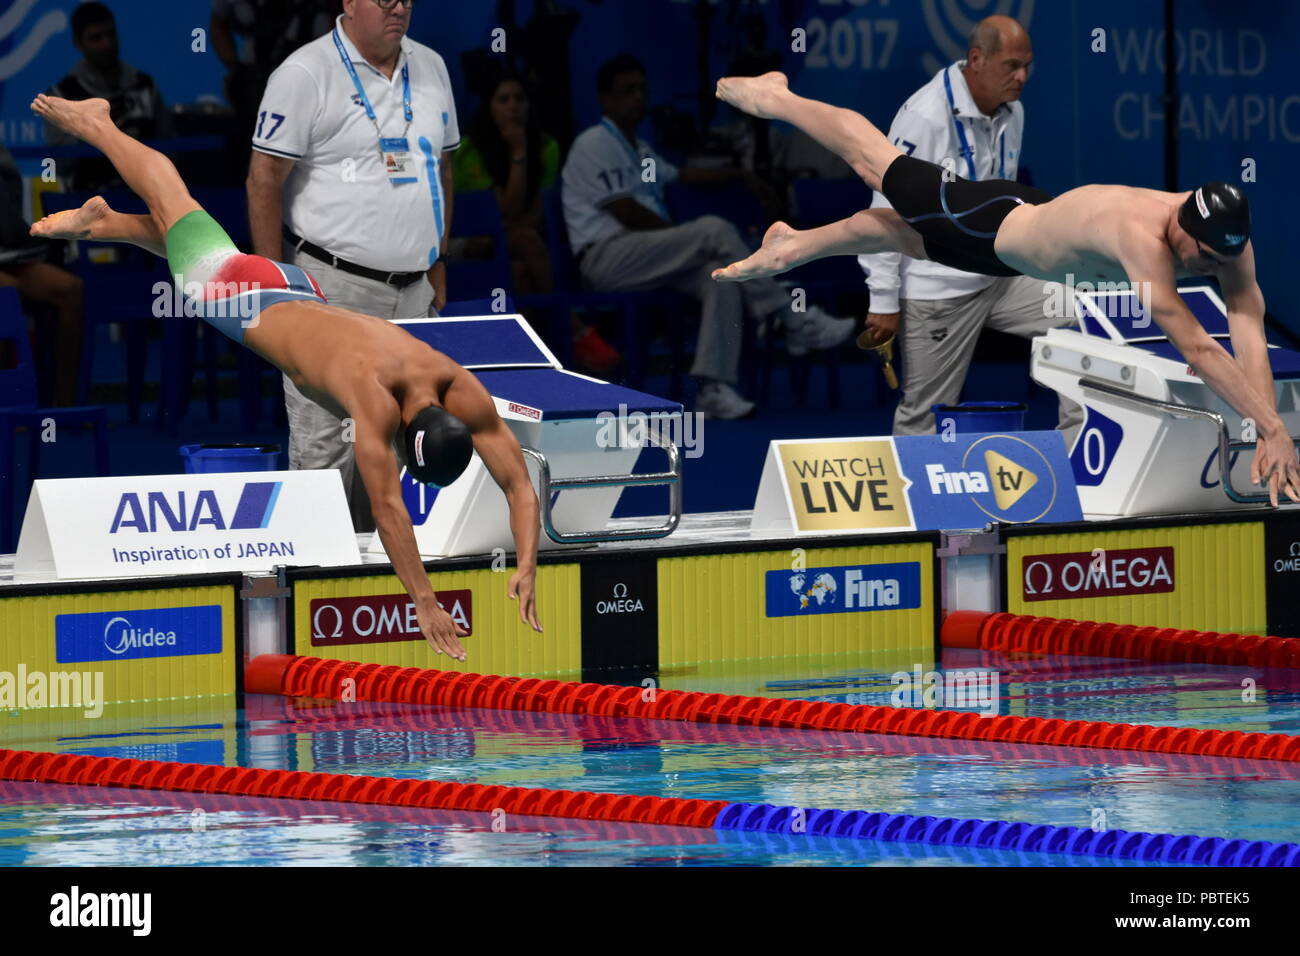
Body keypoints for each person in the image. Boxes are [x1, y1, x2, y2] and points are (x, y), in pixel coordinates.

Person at [31, 93, 541, 661]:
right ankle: (101, 125)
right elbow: (390, 510)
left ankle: (112, 223)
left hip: (298, 286)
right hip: (247, 299)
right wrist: (422, 599)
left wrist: (527, 565)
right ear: (405, 437)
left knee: (193, 241)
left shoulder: (455, 383)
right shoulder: (376, 402)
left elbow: (518, 484)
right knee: (175, 203)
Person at [712, 72, 1300, 506]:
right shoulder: (1141, 236)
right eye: (1195, 251)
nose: (1202, 263)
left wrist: (1272, 429)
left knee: (909, 237)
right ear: (1182, 220)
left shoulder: (1229, 245)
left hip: (1022, 239)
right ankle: (778, 96)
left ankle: (793, 244)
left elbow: (1247, 330)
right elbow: (1198, 348)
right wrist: (1269, 429)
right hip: (990, 224)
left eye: (1213, 258)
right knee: (877, 164)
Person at [246, 0, 457, 533]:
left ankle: (394, 599)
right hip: (330, 288)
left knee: (410, 451)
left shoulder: (431, 65)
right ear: (347, 3)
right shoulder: (304, 73)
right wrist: (276, 293)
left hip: (413, 294)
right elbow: (263, 178)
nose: (398, 7)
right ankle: (317, 596)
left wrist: (439, 257)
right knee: (327, 455)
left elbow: (443, 167)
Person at [562, 54, 856, 420]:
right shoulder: (594, 142)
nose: (638, 98)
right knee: (711, 230)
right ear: (605, 99)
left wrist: (740, 174)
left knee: (721, 275)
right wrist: (685, 239)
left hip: (648, 259)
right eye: (627, 91)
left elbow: (683, 175)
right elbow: (627, 213)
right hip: (606, 258)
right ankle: (793, 319)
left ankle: (713, 388)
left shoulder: (638, 148)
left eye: (642, 90)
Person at [859, 16, 1081, 439]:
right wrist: (883, 298)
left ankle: (1079, 462)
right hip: (939, 289)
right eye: (1012, 66)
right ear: (976, 59)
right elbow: (884, 209)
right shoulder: (925, 118)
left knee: (1083, 318)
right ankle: (913, 497)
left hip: (1000, 275)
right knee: (924, 413)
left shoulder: (1012, 111)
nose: (1022, 77)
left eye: (1027, 67)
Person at [455, 68, 619, 372]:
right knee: (524, 243)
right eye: (503, 99)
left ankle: (523, 365)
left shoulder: (545, 147)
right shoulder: (467, 152)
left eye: (520, 98)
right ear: (488, 106)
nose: (513, 106)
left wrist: (523, 151)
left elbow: (530, 216)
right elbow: (499, 213)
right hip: (469, 246)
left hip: (516, 246)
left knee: (518, 271)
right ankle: (573, 329)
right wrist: (518, 153)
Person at [45, 2, 170, 192]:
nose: (107, 44)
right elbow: (61, 161)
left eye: (111, 34)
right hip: (89, 201)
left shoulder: (144, 85)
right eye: (96, 38)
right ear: (78, 43)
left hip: (147, 197)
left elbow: (170, 147)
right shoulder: (62, 96)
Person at [210, 0, 335, 181]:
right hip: (251, 91)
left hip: (306, 89)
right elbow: (217, 23)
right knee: (249, 165)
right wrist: (234, 67)